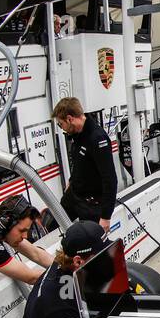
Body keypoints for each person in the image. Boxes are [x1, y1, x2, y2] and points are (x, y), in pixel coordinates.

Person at [52, 97, 119, 230]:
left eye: (61, 124)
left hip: (92, 203)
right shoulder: (77, 135)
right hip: (74, 195)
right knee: (53, 225)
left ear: (70, 119)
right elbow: (80, 163)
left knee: (90, 240)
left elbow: (110, 179)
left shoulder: (97, 138)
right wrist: (71, 181)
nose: (62, 128)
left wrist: (106, 216)